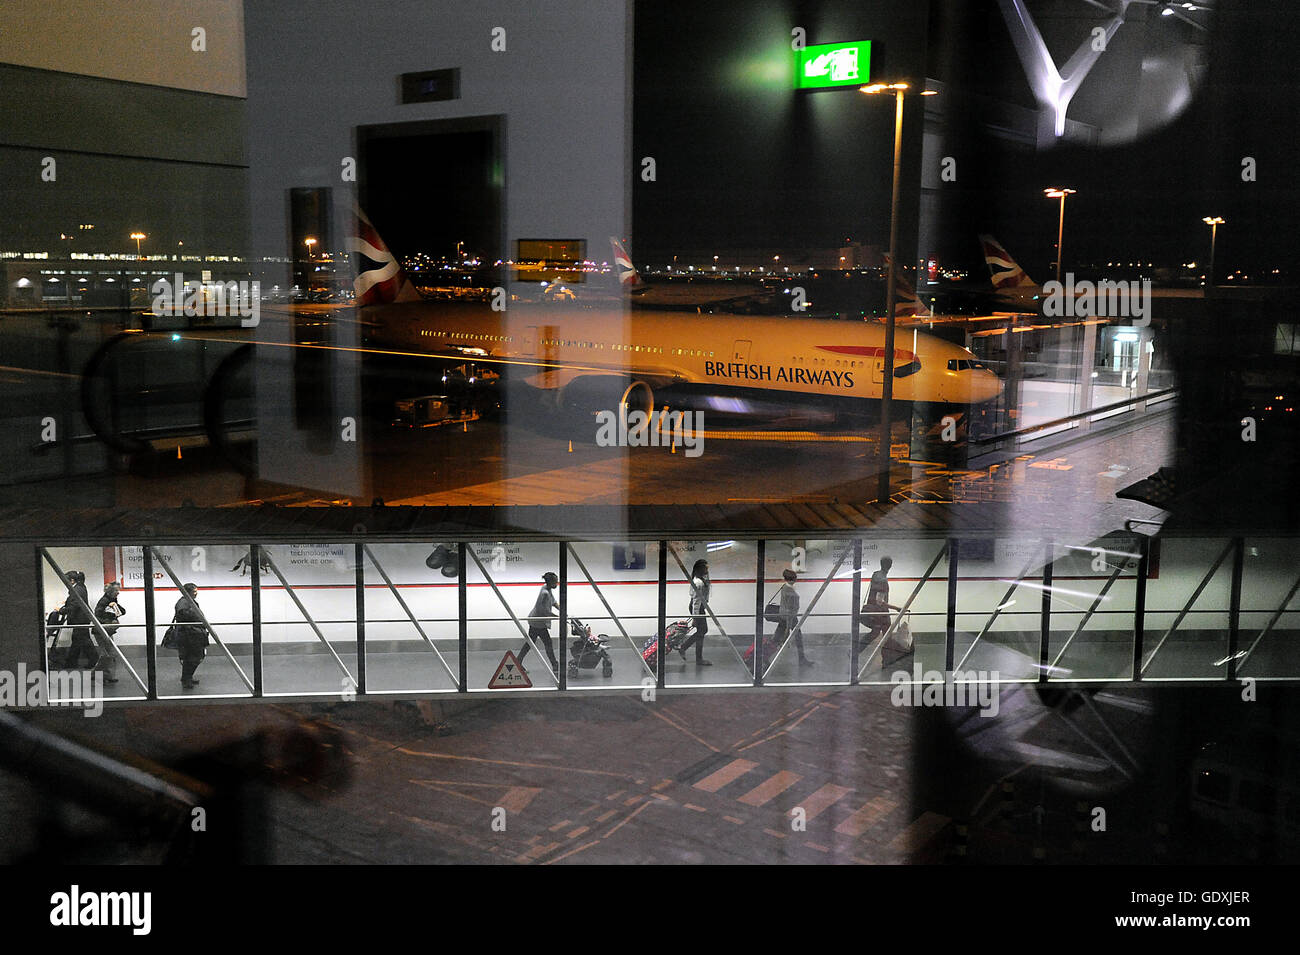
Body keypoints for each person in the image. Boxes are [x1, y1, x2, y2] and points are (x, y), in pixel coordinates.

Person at [517, 572, 560, 676]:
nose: (557, 584)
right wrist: (556, 616)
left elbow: (553, 602)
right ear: (550, 582)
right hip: (537, 622)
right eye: (555, 582)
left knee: (530, 643)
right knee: (547, 643)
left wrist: (562, 610)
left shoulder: (547, 589)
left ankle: (518, 661)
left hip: (536, 621)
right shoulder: (544, 593)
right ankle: (554, 664)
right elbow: (542, 610)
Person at [858, 556, 903, 657]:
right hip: (880, 612)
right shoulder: (882, 579)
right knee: (885, 634)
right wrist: (897, 608)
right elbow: (879, 601)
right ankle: (887, 657)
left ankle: (856, 651)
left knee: (877, 633)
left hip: (879, 611)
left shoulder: (876, 574)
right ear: (890, 565)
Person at [59, 571, 98, 670]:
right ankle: (72, 662)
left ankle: (94, 660)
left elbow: (75, 604)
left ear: (72, 580)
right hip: (82, 618)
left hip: (80, 619)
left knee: (84, 640)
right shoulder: (80, 587)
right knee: (77, 640)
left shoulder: (76, 589)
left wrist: (62, 610)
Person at [776, 568, 814, 667]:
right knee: (798, 638)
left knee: (776, 639)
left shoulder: (785, 587)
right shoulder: (790, 591)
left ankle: (764, 657)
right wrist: (788, 628)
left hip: (784, 616)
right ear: (793, 579)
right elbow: (790, 608)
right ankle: (802, 659)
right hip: (790, 618)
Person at [678, 558, 712, 666]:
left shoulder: (700, 579)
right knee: (702, 630)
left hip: (698, 607)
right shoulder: (698, 583)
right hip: (696, 608)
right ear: (701, 569)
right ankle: (691, 653)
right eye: (706, 567)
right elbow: (696, 602)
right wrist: (695, 618)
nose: (708, 569)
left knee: (702, 631)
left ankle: (685, 649)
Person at [175, 583, 208, 690]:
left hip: (192, 634)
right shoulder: (184, 603)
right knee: (194, 657)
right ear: (187, 592)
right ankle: (187, 679)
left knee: (191, 657)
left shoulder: (186, 602)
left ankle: (187, 677)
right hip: (190, 635)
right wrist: (198, 619)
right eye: (194, 591)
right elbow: (184, 614)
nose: (196, 593)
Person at [93, 582, 125, 684]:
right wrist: (110, 615)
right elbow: (97, 615)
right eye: (116, 590)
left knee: (110, 653)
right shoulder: (104, 601)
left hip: (107, 630)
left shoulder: (112, 600)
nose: (118, 592)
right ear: (110, 591)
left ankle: (105, 674)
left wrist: (114, 607)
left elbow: (122, 611)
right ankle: (100, 674)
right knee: (107, 654)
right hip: (101, 630)